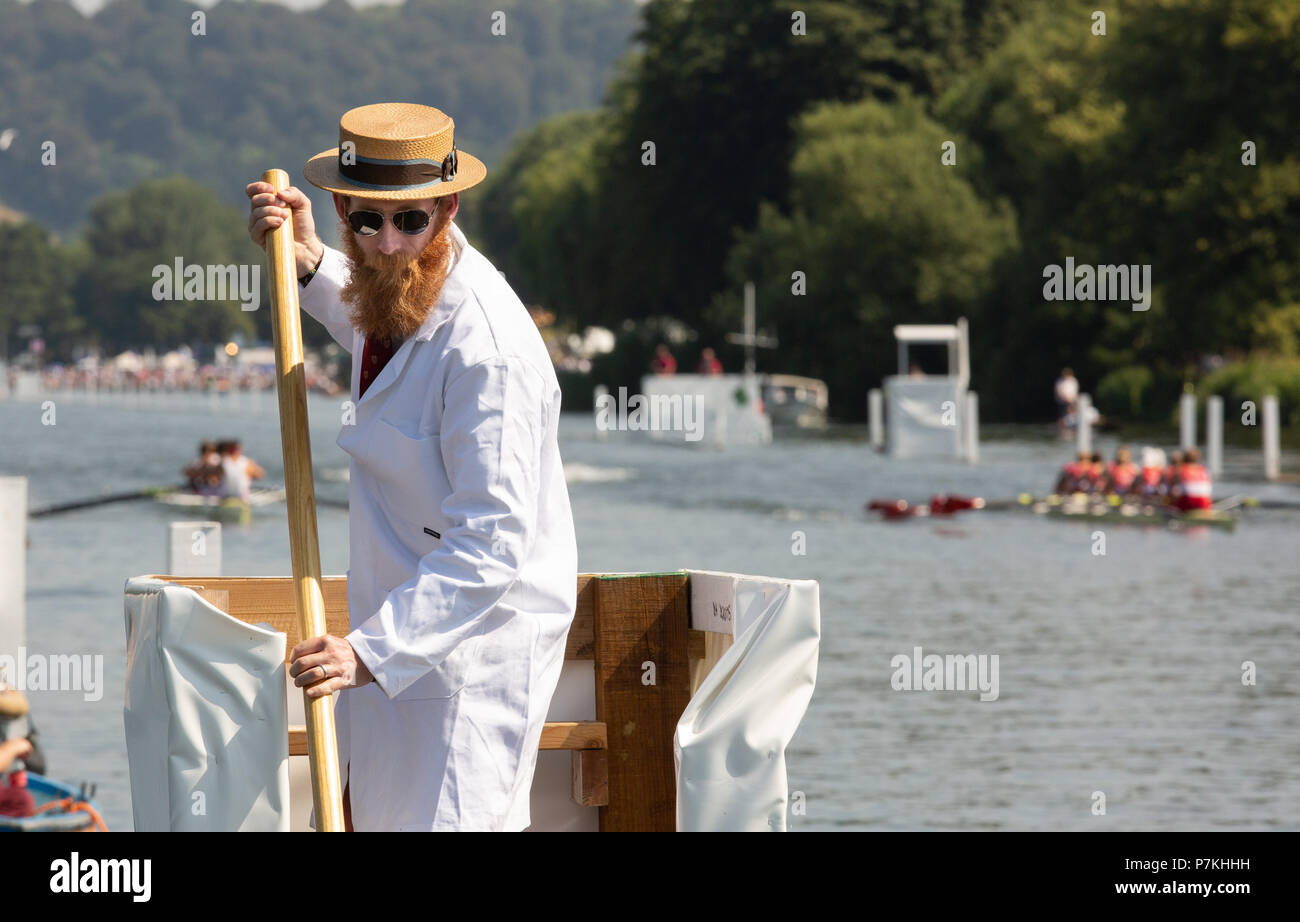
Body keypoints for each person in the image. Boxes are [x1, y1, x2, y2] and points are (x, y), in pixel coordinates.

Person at [246, 102, 577, 832]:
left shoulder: (489, 352)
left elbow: (493, 544)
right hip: (393, 635)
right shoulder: (398, 284)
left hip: (473, 652)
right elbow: (376, 318)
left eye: (410, 221)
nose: (388, 245)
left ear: (448, 209)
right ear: (341, 211)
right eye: (367, 222)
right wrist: (304, 263)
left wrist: (368, 652)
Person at [1054, 368, 1079, 437]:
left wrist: (1073, 400)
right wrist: (1066, 398)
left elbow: (1075, 391)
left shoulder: (1073, 381)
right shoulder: (1060, 381)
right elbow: (1059, 392)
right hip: (1062, 402)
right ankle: (1062, 431)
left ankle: (1072, 431)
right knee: (1062, 417)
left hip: (1072, 402)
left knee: (1072, 417)